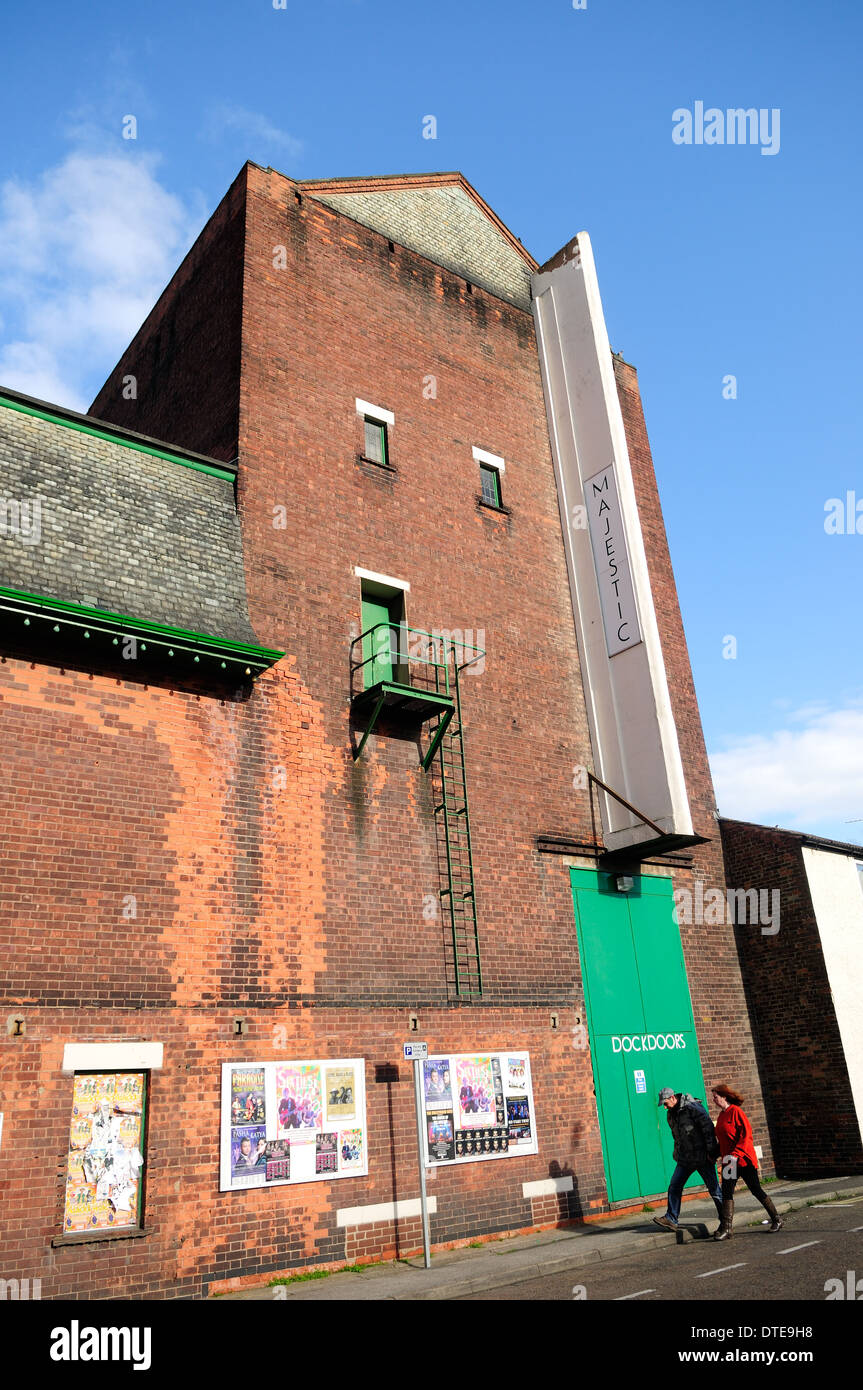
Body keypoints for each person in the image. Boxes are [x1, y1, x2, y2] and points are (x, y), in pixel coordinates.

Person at [711, 1083, 783, 1240]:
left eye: (715, 1097)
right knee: (727, 1191)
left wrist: (736, 1154)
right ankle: (727, 1228)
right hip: (729, 1161)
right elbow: (723, 1140)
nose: (714, 1100)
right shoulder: (722, 1115)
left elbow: (746, 1136)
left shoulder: (736, 1112)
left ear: (724, 1096)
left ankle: (777, 1219)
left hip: (743, 1159)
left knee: (755, 1189)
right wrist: (715, 1154)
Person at [653, 1086, 723, 1232]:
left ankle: (726, 1221)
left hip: (702, 1157)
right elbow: (677, 1137)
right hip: (685, 1159)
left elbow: (708, 1129)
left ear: (673, 1098)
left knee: (714, 1190)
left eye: (666, 1103)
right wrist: (677, 1154)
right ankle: (671, 1219)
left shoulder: (693, 1108)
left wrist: (711, 1153)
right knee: (674, 1186)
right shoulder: (671, 1115)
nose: (665, 1107)